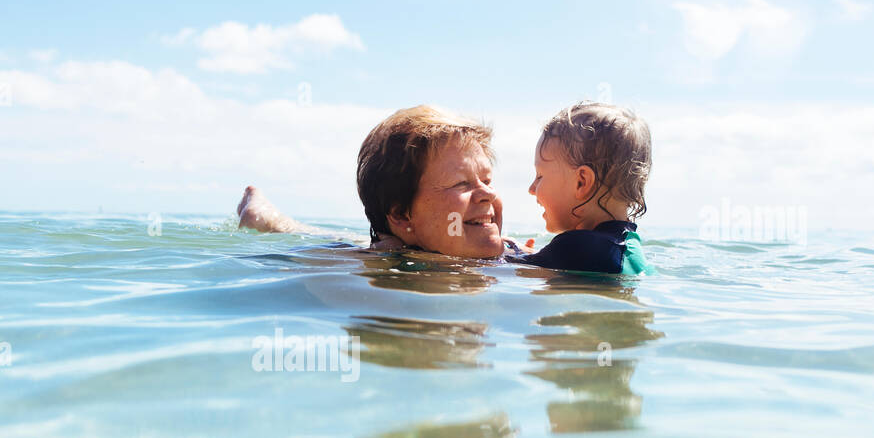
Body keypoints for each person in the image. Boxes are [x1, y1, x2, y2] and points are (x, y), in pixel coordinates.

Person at [237, 104, 515, 260]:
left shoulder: (516, 252)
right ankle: (267, 222)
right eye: (461, 183)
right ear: (401, 214)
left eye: (487, 180)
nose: (488, 194)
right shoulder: (386, 267)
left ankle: (274, 221)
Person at [510, 102, 654, 275]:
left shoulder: (577, 246)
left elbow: (505, 270)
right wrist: (533, 255)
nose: (531, 189)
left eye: (540, 176)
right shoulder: (626, 246)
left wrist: (500, 250)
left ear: (582, 182)